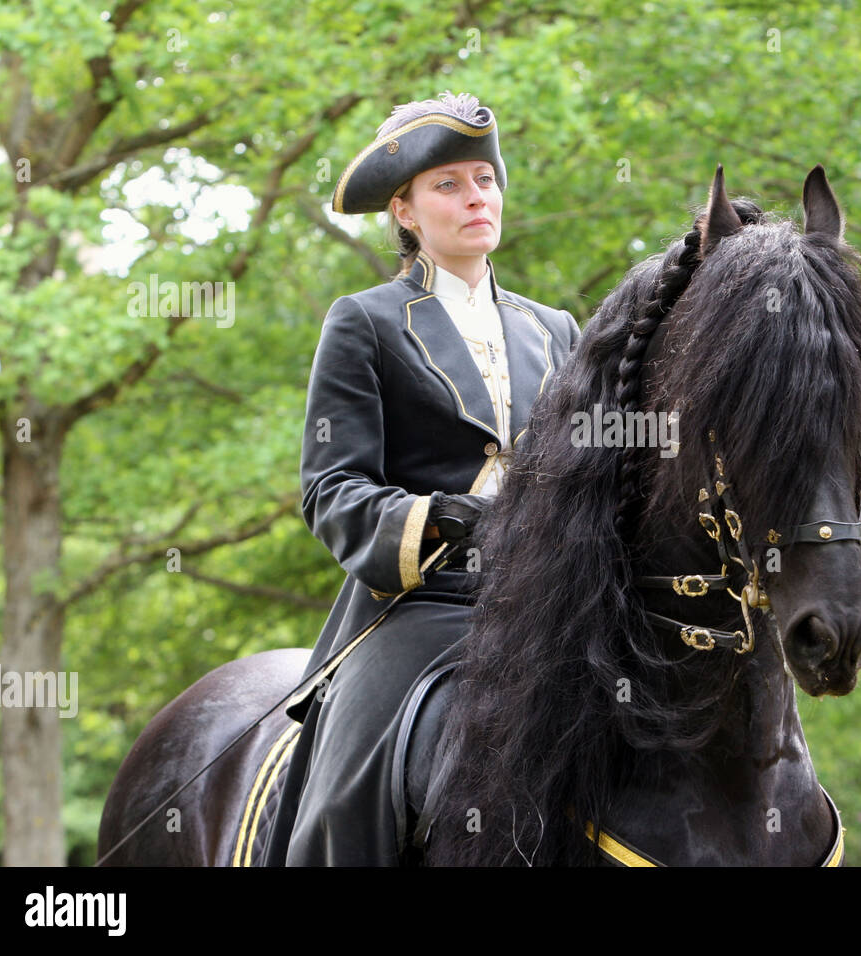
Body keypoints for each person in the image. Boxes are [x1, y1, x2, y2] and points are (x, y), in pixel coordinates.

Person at [259, 92, 580, 866]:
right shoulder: (362, 321)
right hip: (418, 603)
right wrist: (437, 518)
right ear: (404, 211)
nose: (477, 197)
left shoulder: (559, 328)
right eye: (449, 186)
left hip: (551, 603)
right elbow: (331, 490)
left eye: (485, 179)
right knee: (345, 795)